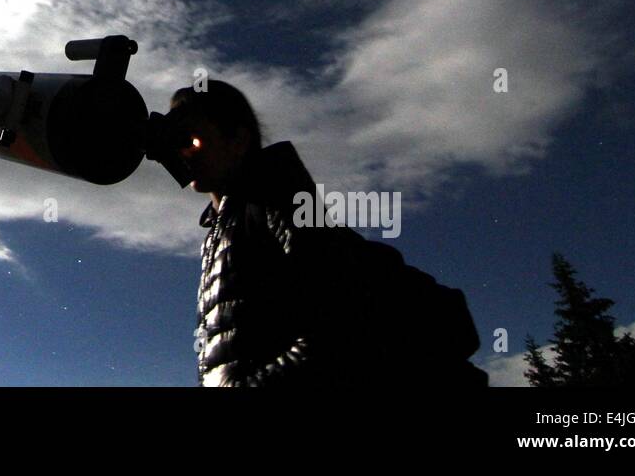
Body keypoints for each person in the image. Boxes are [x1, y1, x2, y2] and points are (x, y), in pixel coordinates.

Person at [167, 80, 488, 387]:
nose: (183, 154)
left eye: (193, 141)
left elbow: (338, 329)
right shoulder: (217, 234)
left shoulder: (276, 196)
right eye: (176, 143)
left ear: (238, 140)